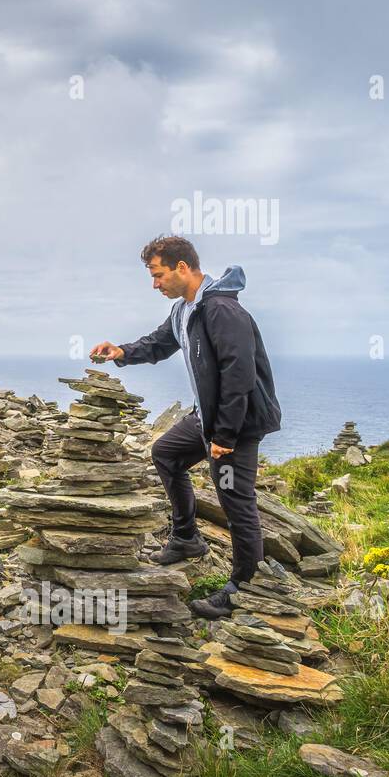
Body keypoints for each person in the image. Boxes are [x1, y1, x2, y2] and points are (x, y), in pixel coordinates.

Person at [91, 235, 281, 619]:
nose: (154, 284)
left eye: (158, 275)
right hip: (208, 417)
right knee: (166, 453)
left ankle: (245, 585)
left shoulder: (222, 310)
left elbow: (238, 374)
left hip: (237, 423)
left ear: (182, 267)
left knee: (234, 498)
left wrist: (224, 436)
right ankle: (186, 539)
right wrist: (122, 352)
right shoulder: (185, 311)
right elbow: (160, 343)